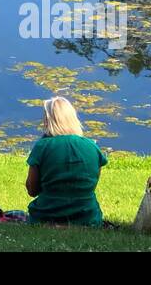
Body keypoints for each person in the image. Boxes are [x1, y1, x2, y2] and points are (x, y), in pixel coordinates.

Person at [25, 96, 107, 226]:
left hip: (47, 216)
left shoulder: (42, 146)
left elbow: (32, 190)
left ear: (48, 120)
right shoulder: (92, 147)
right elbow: (90, 186)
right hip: (87, 217)